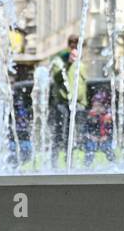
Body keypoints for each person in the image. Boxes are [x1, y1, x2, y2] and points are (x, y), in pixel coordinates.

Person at [47, 34, 80, 165]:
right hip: (63, 103)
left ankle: (70, 163)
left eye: (77, 43)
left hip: (77, 104)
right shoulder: (60, 59)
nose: (75, 46)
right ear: (69, 44)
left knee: (75, 136)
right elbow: (56, 78)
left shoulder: (80, 60)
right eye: (73, 43)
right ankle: (53, 164)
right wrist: (68, 64)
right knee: (60, 134)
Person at [82, 89, 115, 167]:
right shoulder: (90, 117)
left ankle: (114, 164)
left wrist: (106, 136)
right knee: (90, 148)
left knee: (108, 148)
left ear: (105, 107)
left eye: (99, 106)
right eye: (94, 106)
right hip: (92, 139)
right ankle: (87, 165)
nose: (97, 109)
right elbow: (85, 130)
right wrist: (90, 136)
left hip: (105, 140)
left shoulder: (108, 118)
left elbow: (111, 130)